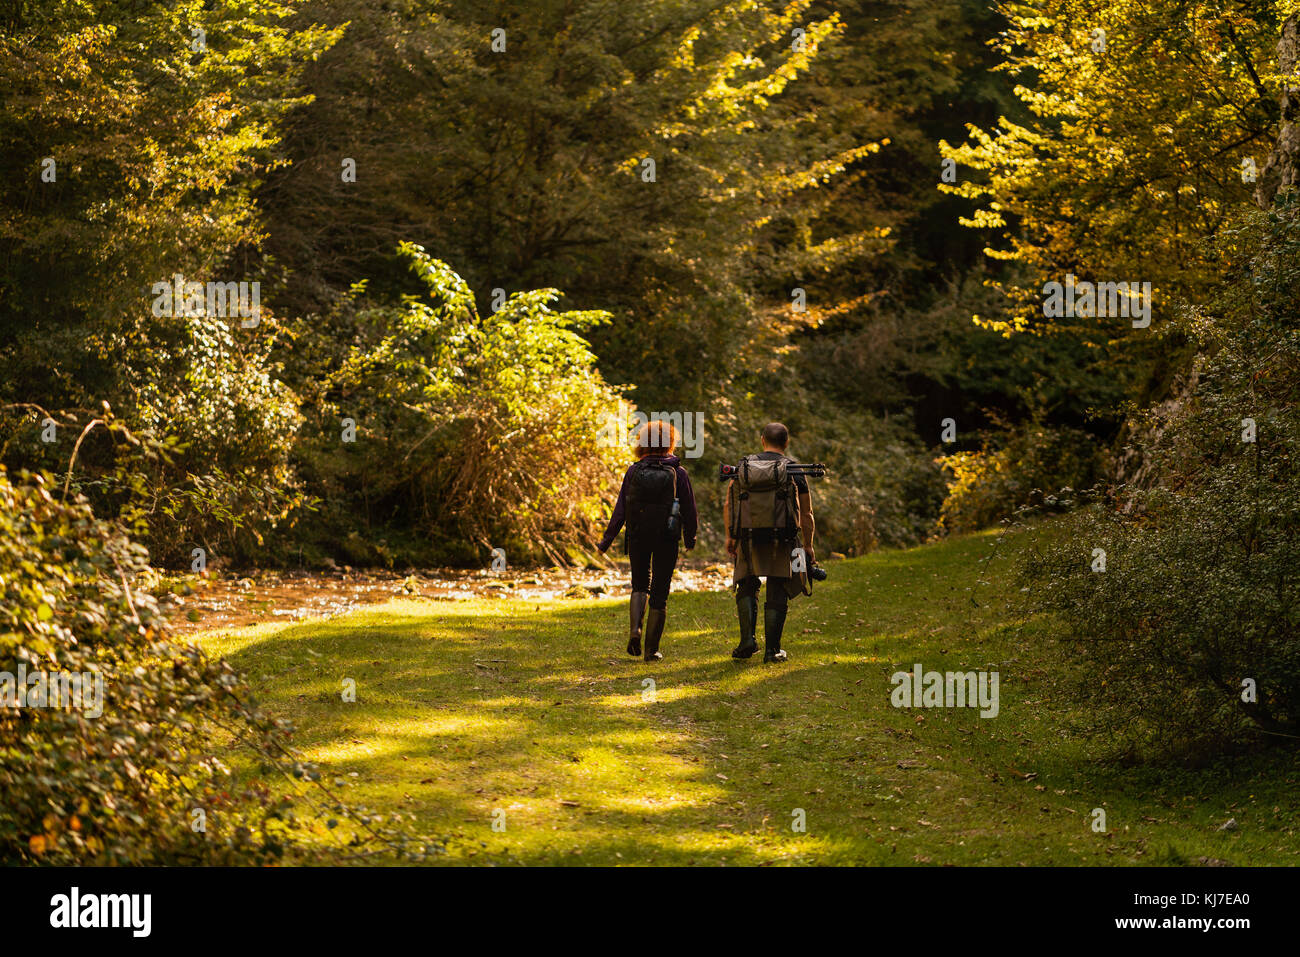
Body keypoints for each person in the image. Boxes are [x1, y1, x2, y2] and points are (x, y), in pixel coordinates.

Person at [597, 420, 698, 661]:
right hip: (667, 537)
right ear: (670, 443)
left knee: (639, 584)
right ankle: (651, 650)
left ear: (643, 443)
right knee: (660, 592)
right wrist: (690, 537)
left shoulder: (634, 471)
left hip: (638, 535)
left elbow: (621, 508)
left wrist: (606, 540)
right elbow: (689, 509)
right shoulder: (679, 473)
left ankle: (635, 630)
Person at [724, 422, 815, 663]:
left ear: (762, 439)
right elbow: (806, 513)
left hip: (748, 536)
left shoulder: (744, 466)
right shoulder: (794, 468)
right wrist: (808, 545)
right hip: (783, 539)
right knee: (778, 586)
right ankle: (772, 650)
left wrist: (731, 535)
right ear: (786, 442)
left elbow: (730, 504)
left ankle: (747, 641)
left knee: (746, 582)